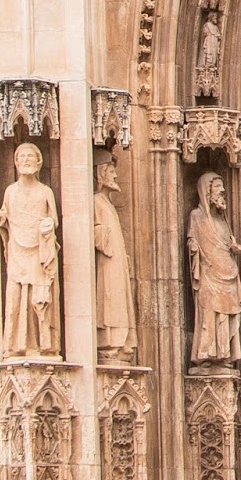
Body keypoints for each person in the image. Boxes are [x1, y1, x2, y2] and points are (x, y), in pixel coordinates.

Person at [0, 143, 61, 358]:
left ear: (38, 162)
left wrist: (48, 225)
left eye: (30, 157)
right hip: (17, 249)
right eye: (22, 157)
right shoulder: (10, 191)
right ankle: (16, 346)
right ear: (16, 162)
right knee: (16, 295)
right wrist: (2, 219)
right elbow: (6, 216)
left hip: (39, 250)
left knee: (40, 297)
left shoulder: (45, 191)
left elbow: (53, 219)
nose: (26, 160)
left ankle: (45, 345)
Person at [187, 171, 241, 364]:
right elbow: (192, 239)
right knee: (210, 313)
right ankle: (208, 353)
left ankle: (224, 354)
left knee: (226, 316)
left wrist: (234, 248)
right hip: (209, 273)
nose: (223, 190)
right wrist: (193, 247)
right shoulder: (197, 216)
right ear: (206, 190)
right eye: (218, 186)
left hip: (227, 272)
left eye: (222, 186)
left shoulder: (222, 221)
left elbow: (227, 244)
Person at [94, 153, 137, 364]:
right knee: (110, 298)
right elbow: (92, 232)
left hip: (116, 261)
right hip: (107, 262)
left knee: (118, 297)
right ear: (101, 175)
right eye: (111, 172)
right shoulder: (96, 201)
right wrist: (108, 238)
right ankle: (109, 341)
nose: (116, 176)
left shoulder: (107, 203)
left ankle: (120, 342)